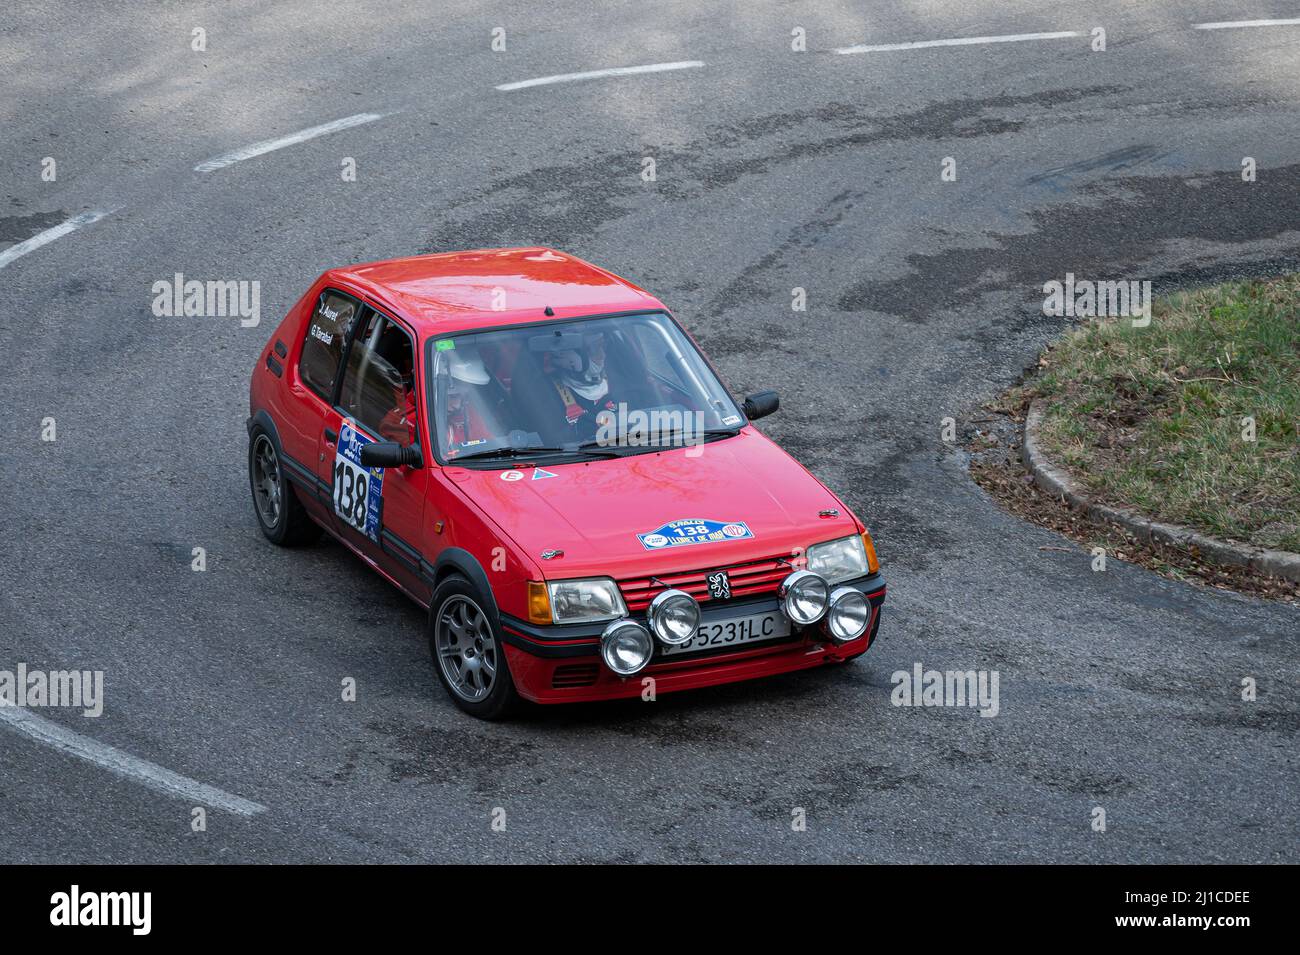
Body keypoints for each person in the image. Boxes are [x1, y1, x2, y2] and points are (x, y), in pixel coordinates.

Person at [547, 332, 618, 439]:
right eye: (595, 349)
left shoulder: (619, 380)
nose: (603, 355)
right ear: (570, 357)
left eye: (603, 346)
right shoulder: (548, 395)